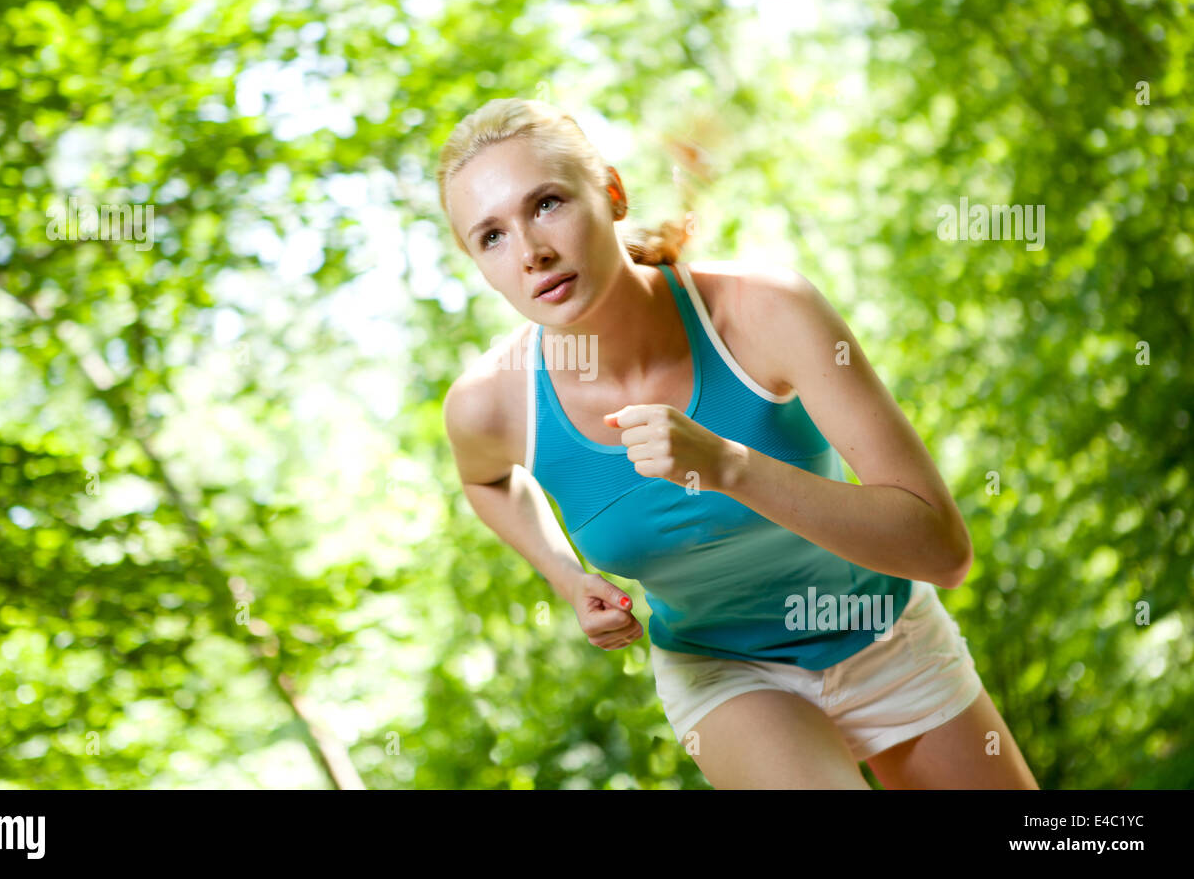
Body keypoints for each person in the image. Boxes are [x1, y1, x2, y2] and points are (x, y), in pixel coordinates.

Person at [436, 97, 1038, 790]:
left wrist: (726, 466)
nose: (531, 252)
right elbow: (486, 480)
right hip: (724, 671)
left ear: (611, 192)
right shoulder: (491, 404)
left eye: (546, 204)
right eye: (491, 236)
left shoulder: (764, 311)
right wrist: (564, 575)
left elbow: (943, 551)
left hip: (887, 632)